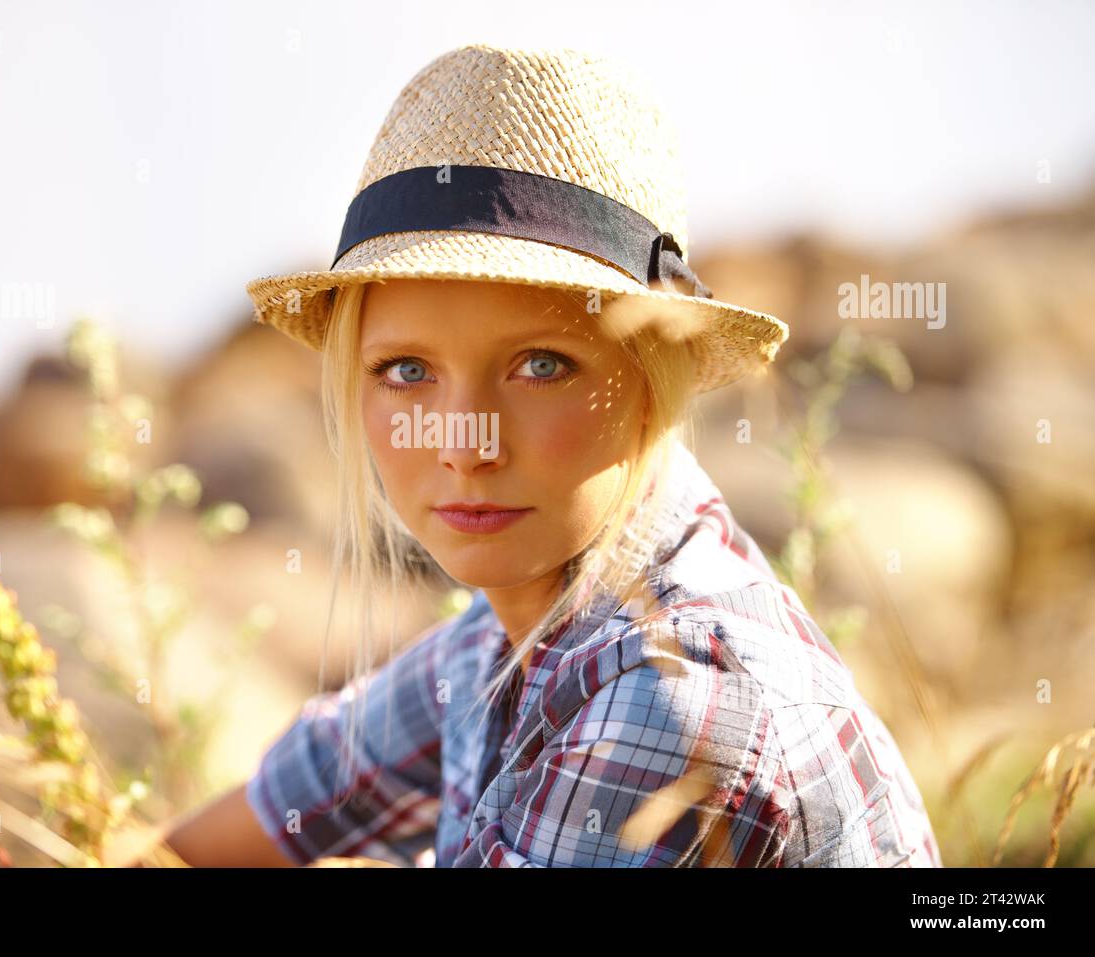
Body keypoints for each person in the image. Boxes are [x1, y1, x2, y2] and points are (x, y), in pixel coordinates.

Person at [153, 43, 942, 868]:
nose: (465, 443)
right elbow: (241, 830)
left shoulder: (673, 690)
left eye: (540, 365)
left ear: (652, 381)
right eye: (406, 371)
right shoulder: (509, 631)